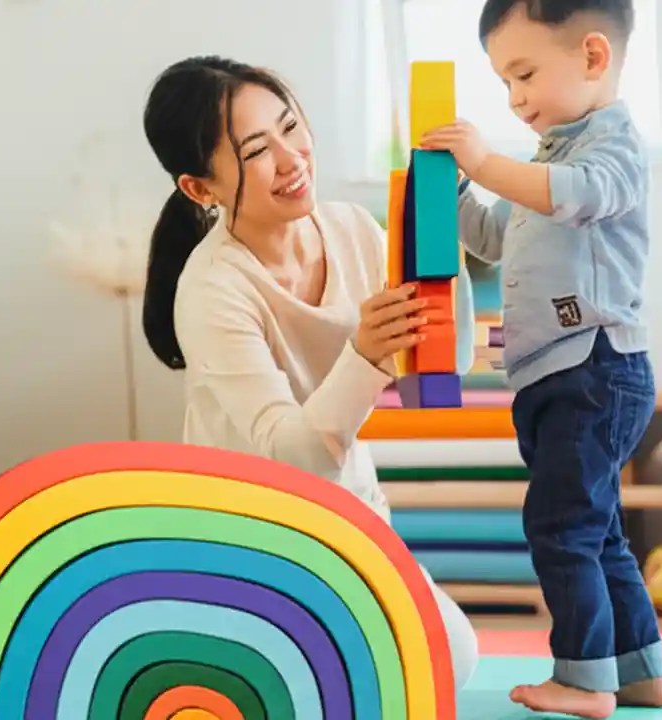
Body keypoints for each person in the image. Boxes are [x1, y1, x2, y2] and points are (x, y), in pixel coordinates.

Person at [138, 55, 480, 691]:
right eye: (257, 150)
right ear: (200, 188)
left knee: (447, 662)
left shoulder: (349, 228)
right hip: (244, 531)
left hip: (349, 511)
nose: (292, 158)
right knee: (307, 686)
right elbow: (289, 460)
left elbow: (443, 366)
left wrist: (443, 240)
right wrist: (366, 354)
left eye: (291, 127)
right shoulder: (213, 290)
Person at [421, 1, 662, 717]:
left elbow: (576, 198)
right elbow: (497, 237)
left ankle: (584, 677)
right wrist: (460, 185)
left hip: (594, 367)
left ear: (593, 57)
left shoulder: (611, 146)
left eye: (524, 74)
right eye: (503, 82)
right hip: (558, 373)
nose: (515, 98)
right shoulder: (546, 158)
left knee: (561, 529)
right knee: (600, 533)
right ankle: (639, 668)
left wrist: (486, 160)